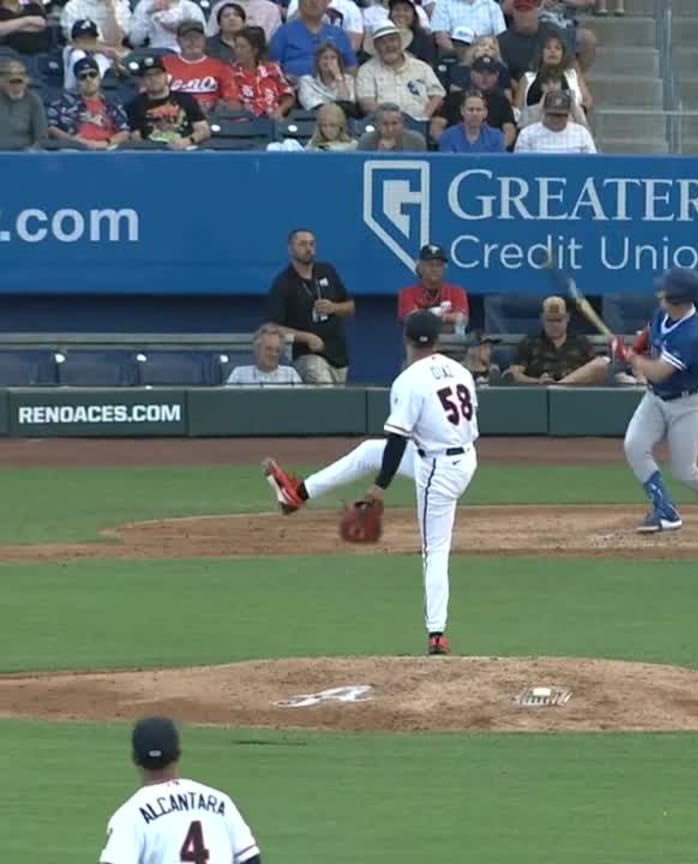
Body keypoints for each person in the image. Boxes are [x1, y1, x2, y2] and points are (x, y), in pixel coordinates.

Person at [263, 311, 479, 656]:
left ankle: (436, 633)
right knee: (369, 451)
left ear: (406, 339)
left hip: (437, 469)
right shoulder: (461, 371)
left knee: (435, 551)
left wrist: (379, 488)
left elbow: (397, 440)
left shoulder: (409, 380)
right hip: (462, 457)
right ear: (438, 340)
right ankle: (297, 494)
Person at [609, 268, 698, 535]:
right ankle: (665, 510)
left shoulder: (690, 333)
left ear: (679, 299)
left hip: (687, 405)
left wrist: (629, 357)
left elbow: (659, 371)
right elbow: (650, 331)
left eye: (666, 292)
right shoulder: (664, 313)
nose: (660, 294)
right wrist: (634, 348)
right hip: (656, 398)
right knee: (635, 445)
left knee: (684, 471)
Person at [99, 716, 263, 864]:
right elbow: (251, 860)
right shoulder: (221, 802)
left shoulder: (130, 816)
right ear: (177, 754)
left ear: (135, 758)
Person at [264, 228, 354, 386]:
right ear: (290, 248)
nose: (308, 249)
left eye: (312, 244)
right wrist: (307, 337)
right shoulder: (283, 283)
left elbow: (351, 307)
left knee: (339, 401)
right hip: (307, 355)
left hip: (338, 354)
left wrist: (334, 307)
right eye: (303, 244)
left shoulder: (327, 271)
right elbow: (273, 327)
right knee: (324, 391)